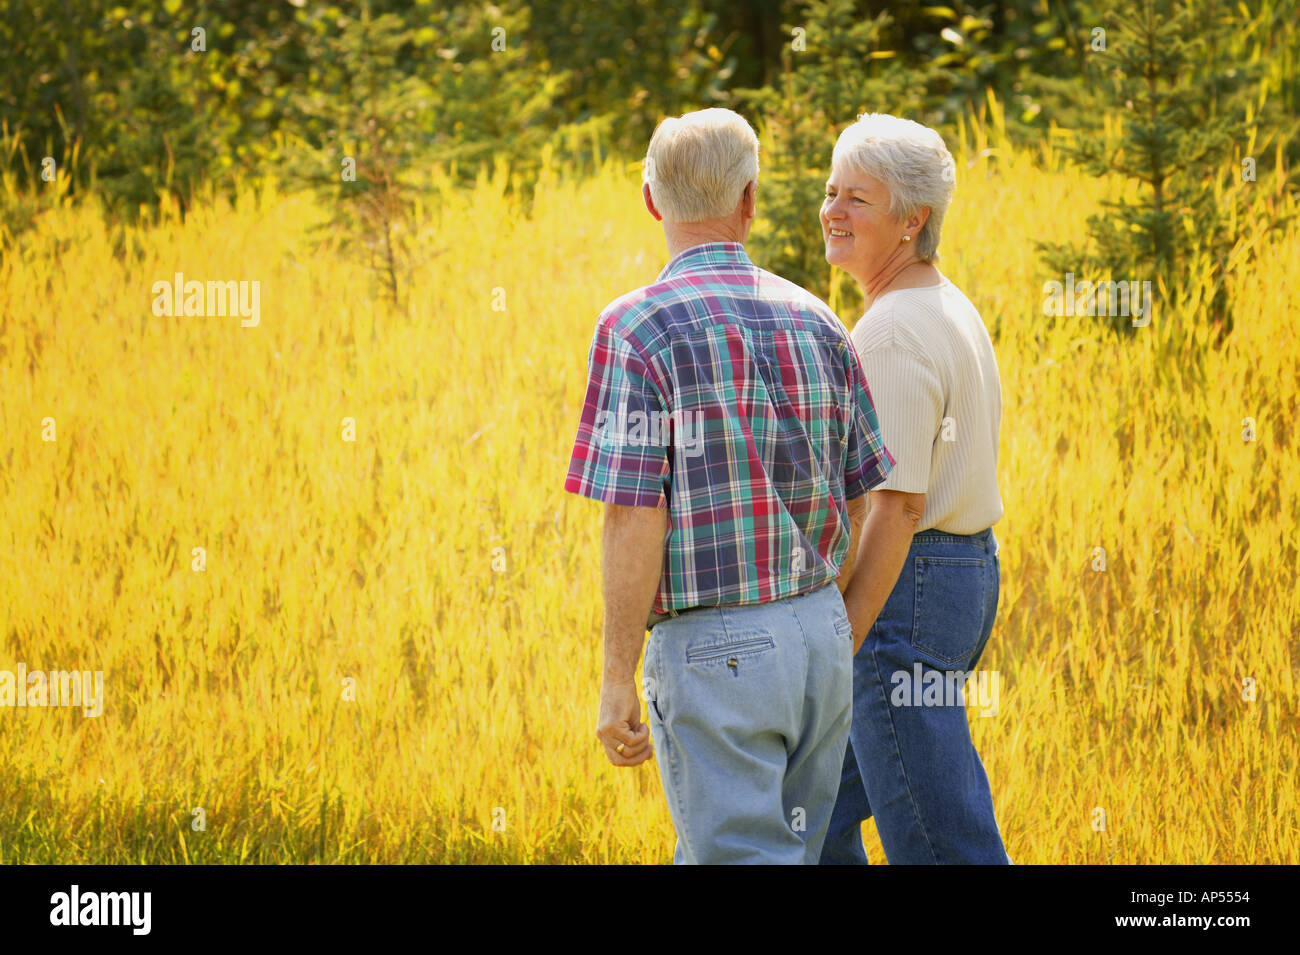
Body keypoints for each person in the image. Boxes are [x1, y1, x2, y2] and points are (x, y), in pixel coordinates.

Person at [563, 107, 895, 864]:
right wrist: (820, 621)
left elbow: (633, 515)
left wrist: (616, 679)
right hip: (819, 632)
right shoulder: (819, 320)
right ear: (750, 199)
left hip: (718, 647)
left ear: (652, 201)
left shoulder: (636, 328)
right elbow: (860, 491)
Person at [816, 112, 1011, 864]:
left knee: (937, 837)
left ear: (912, 220)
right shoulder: (944, 303)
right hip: (956, 574)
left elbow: (895, 504)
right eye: (832, 190)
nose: (833, 209)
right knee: (812, 807)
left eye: (857, 198)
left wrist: (841, 640)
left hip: (907, 589)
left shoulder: (892, 330)